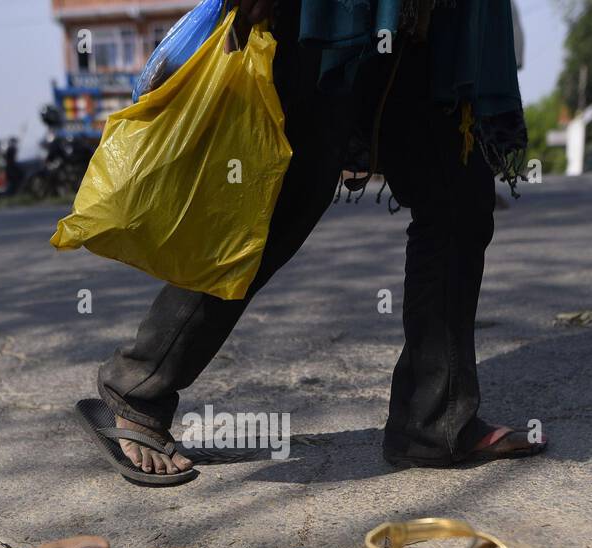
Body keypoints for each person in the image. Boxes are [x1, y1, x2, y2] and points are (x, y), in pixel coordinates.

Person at [92, 0, 540, 478]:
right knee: (287, 194)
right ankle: (138, 388)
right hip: (328, 11)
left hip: (430, 17)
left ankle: (433, 422)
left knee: (457, 198)